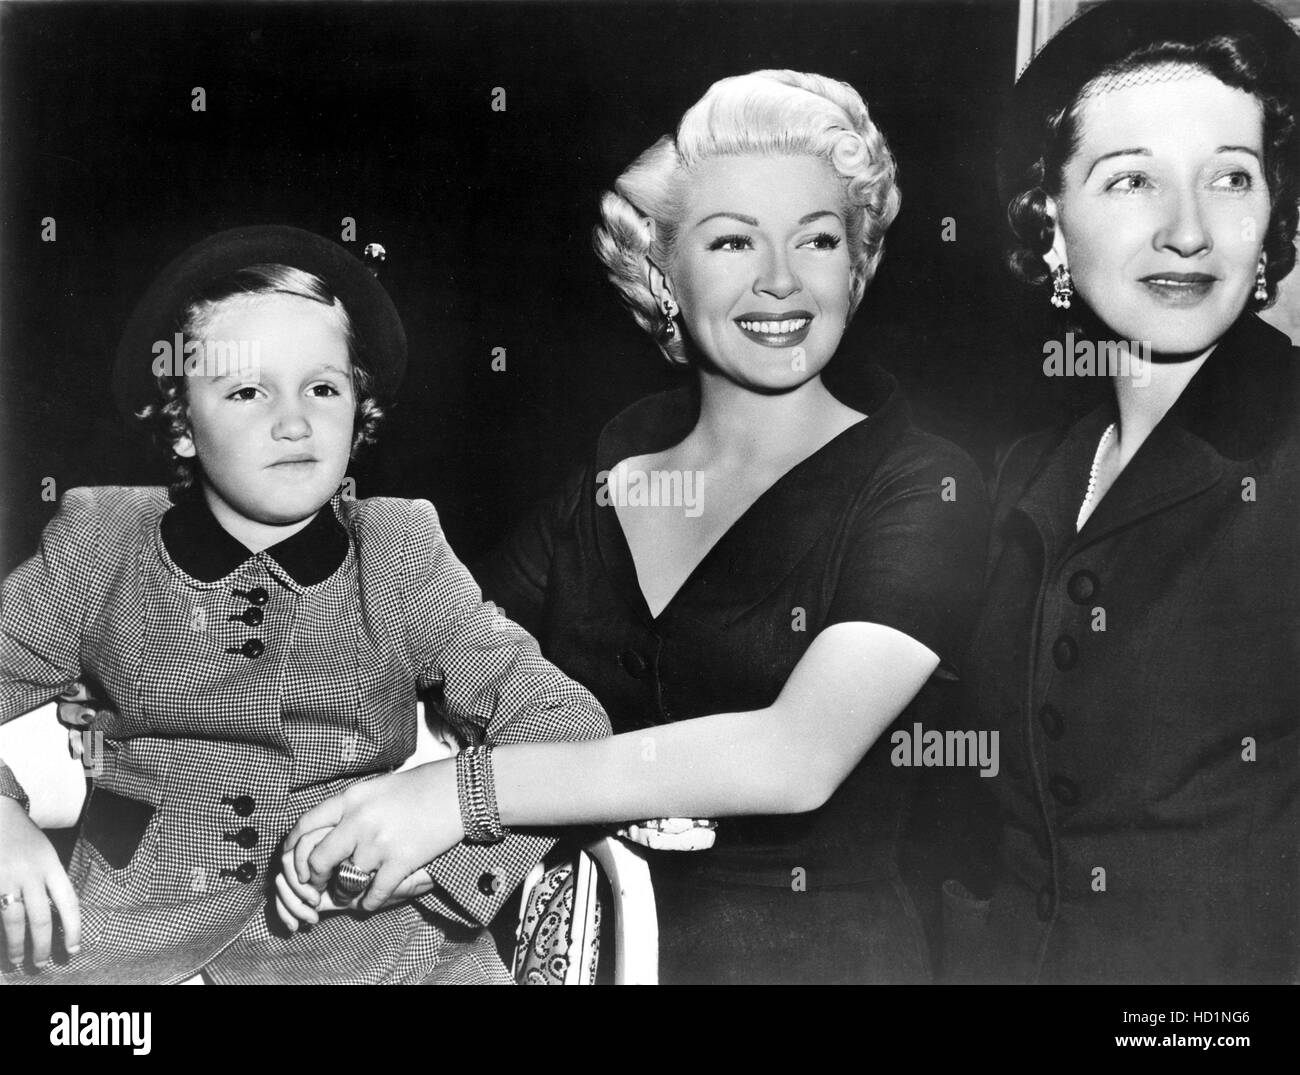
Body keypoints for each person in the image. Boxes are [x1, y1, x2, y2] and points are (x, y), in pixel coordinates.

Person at [281, 70, 990, 984]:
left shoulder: (925, 486)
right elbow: (425, 685)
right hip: (577, 954)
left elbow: (796, 754)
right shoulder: (598, 495)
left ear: (858, 264)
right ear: (662, 273)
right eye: (733, 240)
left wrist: (465, 797)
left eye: (818, 239)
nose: (781, 279)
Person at [0, 225, 610, 984]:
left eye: (322, 387)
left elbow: (572, 728)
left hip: (383, 950)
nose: (294, 421)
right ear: (181, 424)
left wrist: (447, 847)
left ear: (359, 412)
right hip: (125, 945)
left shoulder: (401, 550)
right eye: (247, 390)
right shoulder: (102, 543)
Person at [954, 0, 1300, 983]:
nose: (1186, 229)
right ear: (1049, 223)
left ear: (1272, 217)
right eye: (1132, 179)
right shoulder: (1026, 473)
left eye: (1230, 177)